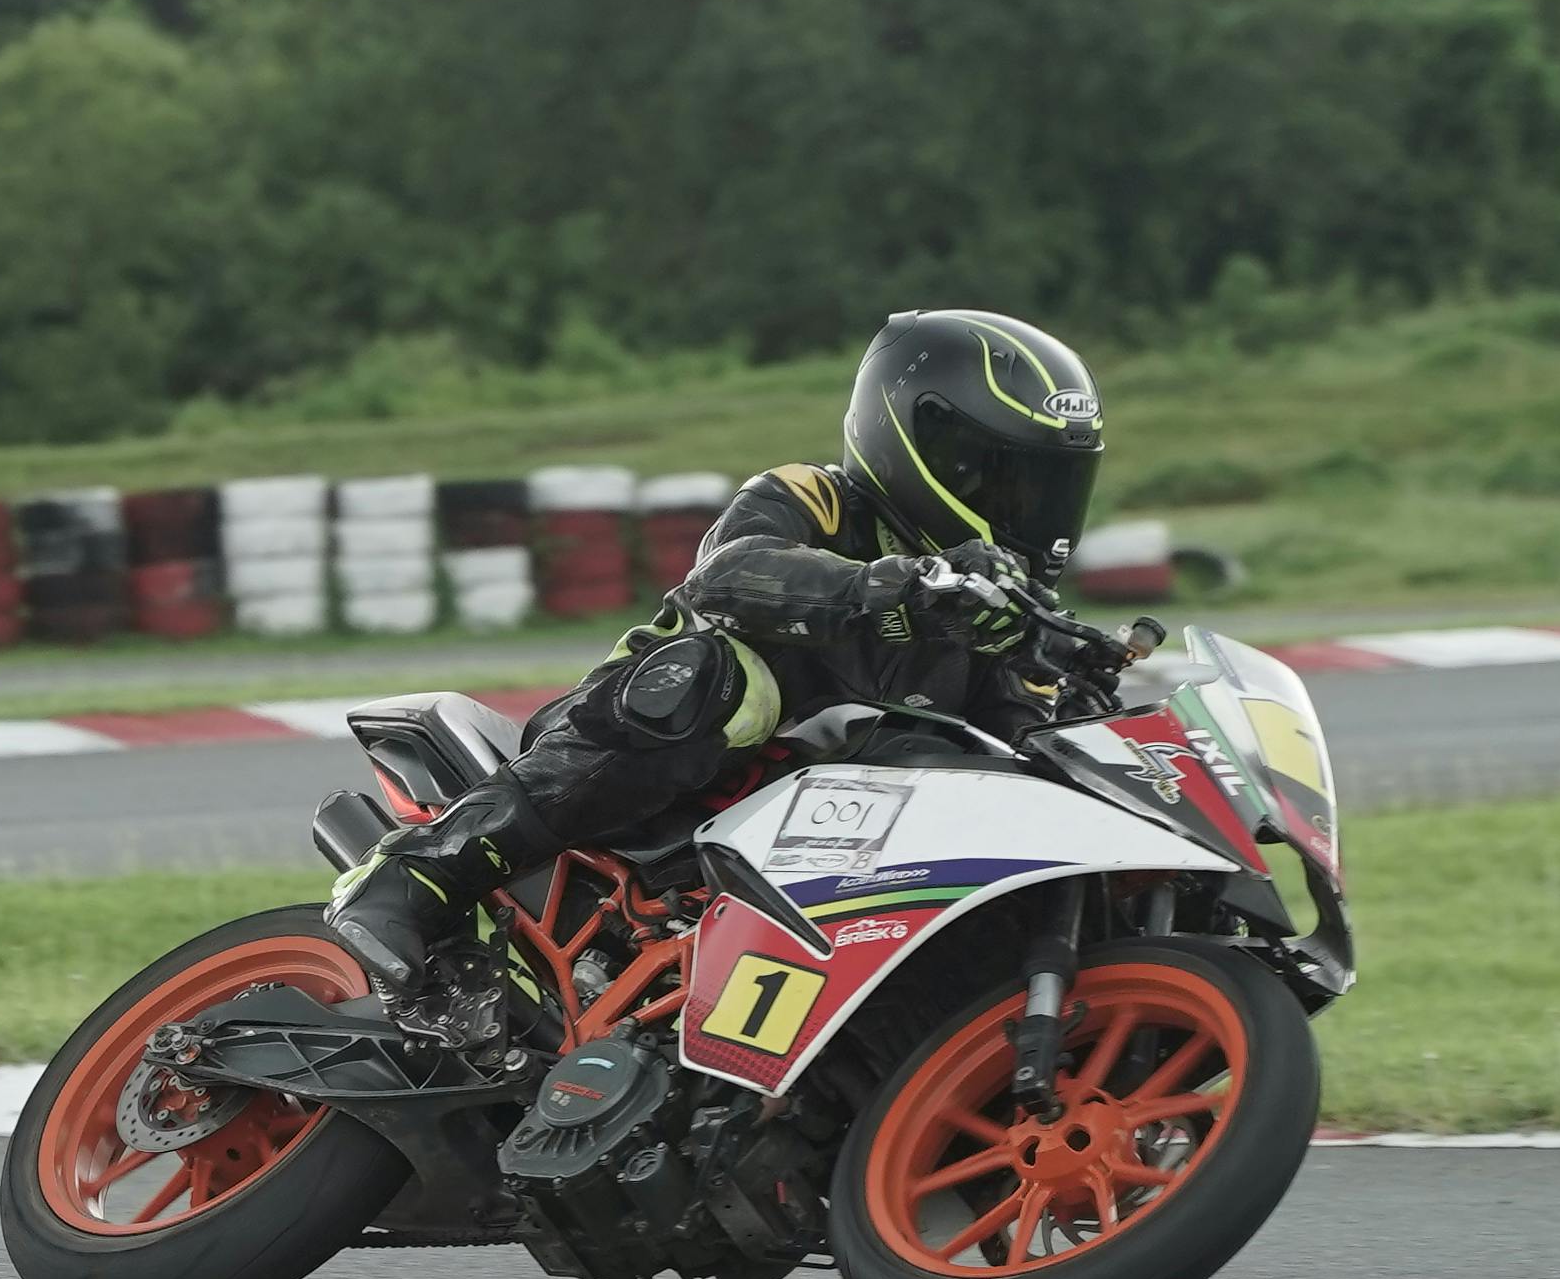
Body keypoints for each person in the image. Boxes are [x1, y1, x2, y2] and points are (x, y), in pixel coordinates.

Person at [325, 308, 1108, 997]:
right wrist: (899, 588)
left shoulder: (1007, 614)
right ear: (924, 444)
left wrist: (1074, 696)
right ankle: (422, 873)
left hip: (824, 843)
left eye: (1049, 486)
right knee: (730, 681)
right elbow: (726, 576)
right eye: (1006, 480)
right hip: (648, 748)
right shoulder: (818, 497)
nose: (1028, 512)